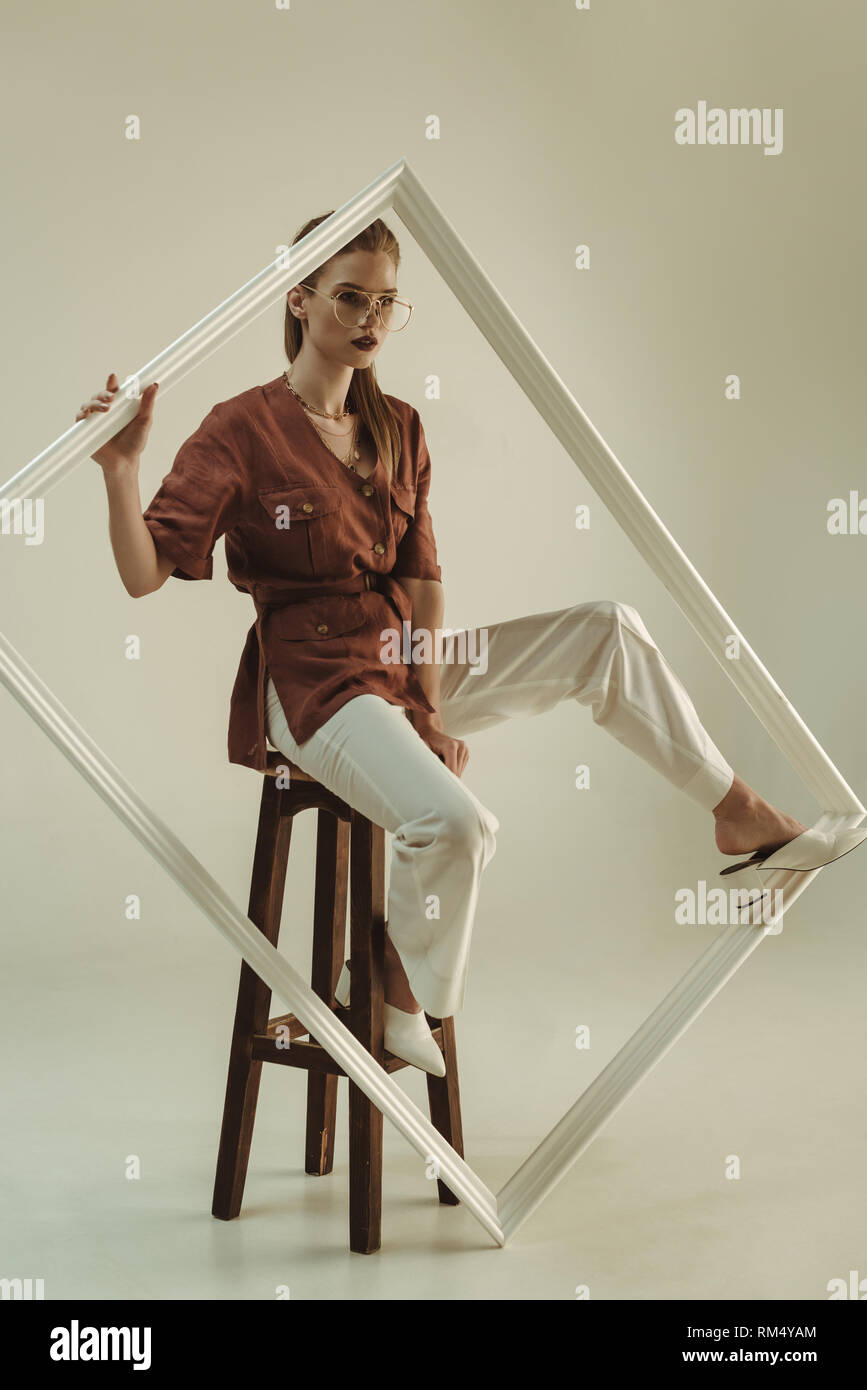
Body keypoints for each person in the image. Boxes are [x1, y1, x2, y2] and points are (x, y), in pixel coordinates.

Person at [77, 213, 867, 1076]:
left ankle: (733, 809)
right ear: (299, 300)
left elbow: (419, 582)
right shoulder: (240, 428)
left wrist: (423, 701)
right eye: (348, 297)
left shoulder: (399, 427)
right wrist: (121, 469)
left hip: (398, 660)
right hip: (310, 683)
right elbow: (144, 572)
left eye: (384, 302)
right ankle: (392, 991)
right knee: (454, 823)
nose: (368, 318)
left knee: (603, 631)